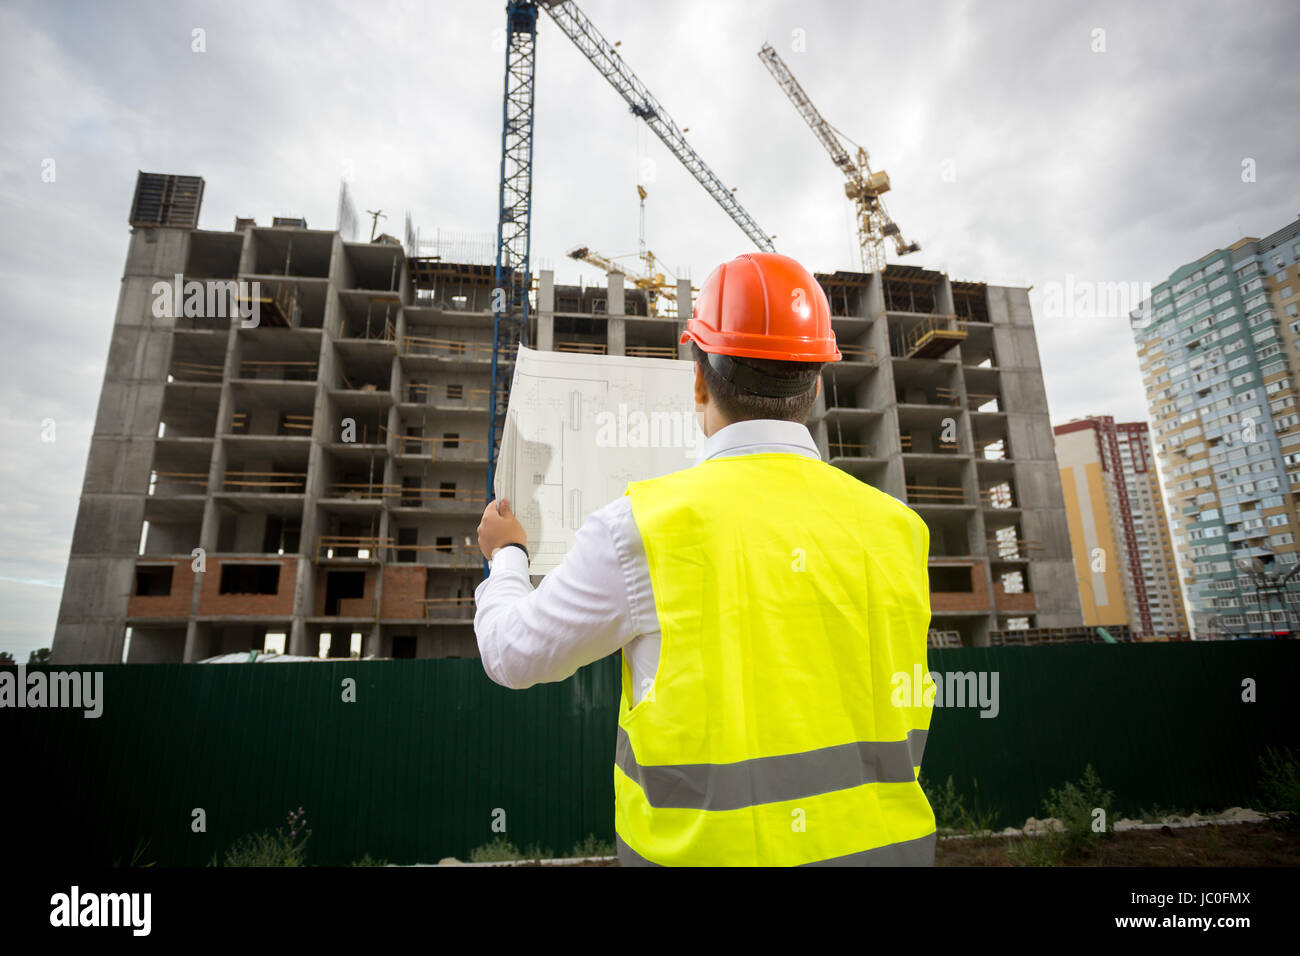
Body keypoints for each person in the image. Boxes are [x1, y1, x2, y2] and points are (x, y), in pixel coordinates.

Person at [474, 251, 936, 866]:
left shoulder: (642, 529)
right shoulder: (899, 530)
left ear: (699, 379)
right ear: (817, 382)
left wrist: (506, 556)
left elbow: (512, 654)